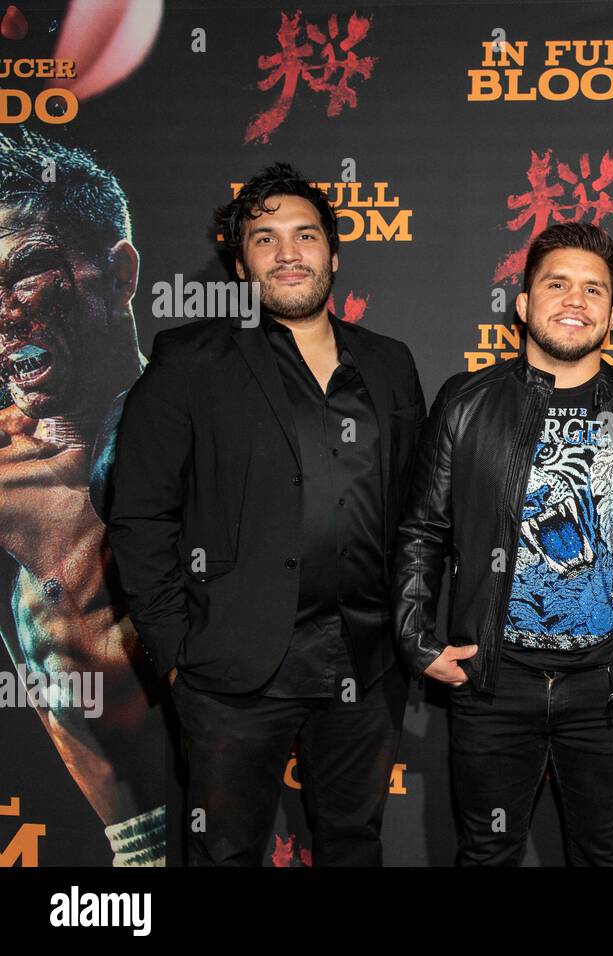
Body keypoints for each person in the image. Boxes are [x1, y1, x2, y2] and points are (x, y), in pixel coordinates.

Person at [108, 163, 424, 865]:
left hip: (364, 662)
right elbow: (138, 514)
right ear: (241, 263)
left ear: (333, 253)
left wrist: (416, 630)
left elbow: (416, 511)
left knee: (353, 844)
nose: (288, 253)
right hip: (232, 669)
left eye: (305, 235)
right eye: (265, 239)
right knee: (225, 853)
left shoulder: (389, 363)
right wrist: (174, 655)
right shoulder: (190, 360)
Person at [393, 220, 613, 866]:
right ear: (524, 304)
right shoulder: (465, 404)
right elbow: (422, 528)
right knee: (486, 853)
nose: (575, 300)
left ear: (612, 315)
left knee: (603, 855)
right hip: (494, 684)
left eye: (594, 290)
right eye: (557, 284)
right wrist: (417, 641)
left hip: (608, 687)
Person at [0, 129, 166, 865]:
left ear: (120, 272)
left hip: (261, 817)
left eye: (29, 272)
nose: (5, 312)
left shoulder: (211, 423)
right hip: (132, 846)